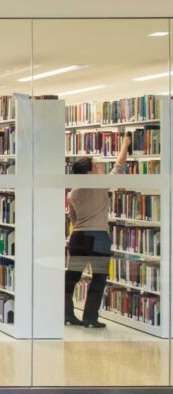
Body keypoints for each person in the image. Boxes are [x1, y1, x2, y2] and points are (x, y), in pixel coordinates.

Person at [64, 132, 132, 329]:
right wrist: (125, 145)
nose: (100, 167)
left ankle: (68, 314)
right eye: (96, 165)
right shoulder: (99, 186)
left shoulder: (73, 192)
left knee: (72, 277)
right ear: (90, 171)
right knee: (99, 278)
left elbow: (73, 218)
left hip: (78, 237)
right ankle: (90, 318)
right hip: (98, 238)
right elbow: (119, 167)